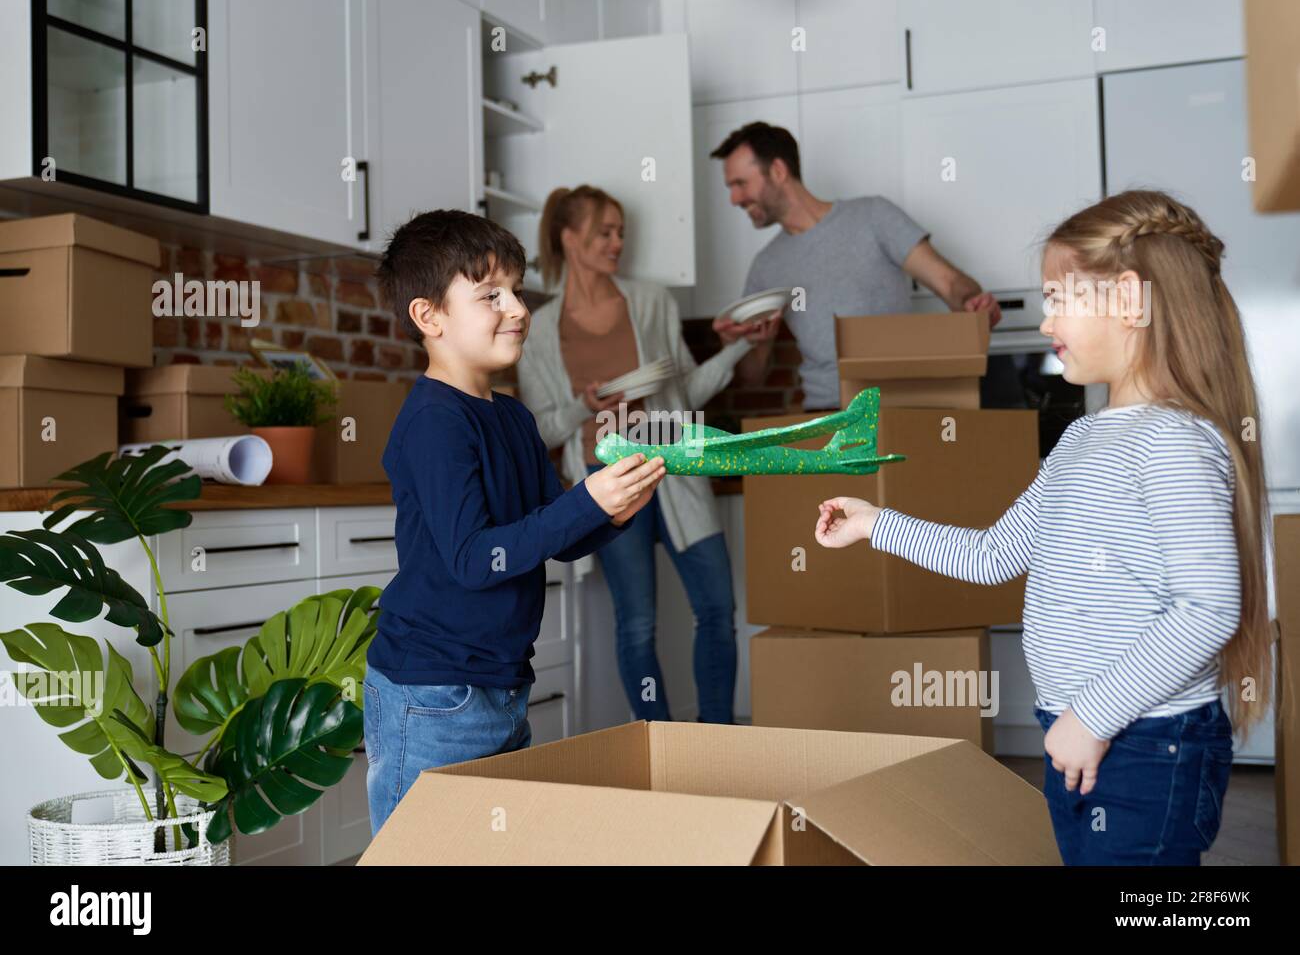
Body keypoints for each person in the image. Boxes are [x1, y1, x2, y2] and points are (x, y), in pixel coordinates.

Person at [813, 190, 1271, 865]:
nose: (1047, 317)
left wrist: (1093, 717)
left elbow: (1208, 608)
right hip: (1075, 732)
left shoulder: (1173, 442)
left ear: (1131, 303)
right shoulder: (1081, 439)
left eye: (1061, 297)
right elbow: (995, 555)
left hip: (1146, 742)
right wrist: (878, 524)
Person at [363, 209, 666, 834]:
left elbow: (552, 535)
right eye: (490, 295)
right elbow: (477, 559)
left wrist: (612, 509)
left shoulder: (514, 418)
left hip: (500, 686)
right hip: (433, 696)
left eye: (518, 291)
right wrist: (586, 502)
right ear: (430, 317)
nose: (519, 308)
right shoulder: (434, 422)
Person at [517, 186, 754, 724]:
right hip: (609, 482)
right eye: (606, 232)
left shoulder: (651, 302)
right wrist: (585, 404)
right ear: (570, 237)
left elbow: (687, 391)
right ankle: (659, 743)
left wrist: (742, 344)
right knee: (637, 624)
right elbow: (544, 430)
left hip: (676, 467)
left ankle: (716, 738)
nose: (618, 242)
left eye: (621, 231)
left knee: (717, 608)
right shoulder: (538, 333)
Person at [709, 121, 1003, 410]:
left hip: (901, 405)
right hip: (827, 414)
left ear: (778, 171)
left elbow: (949, 283)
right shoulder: (766, 265)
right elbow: (752, 378)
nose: (734, 199)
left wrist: (972, 303)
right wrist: (745, 343)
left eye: (740, 184)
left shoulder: (874, 217)